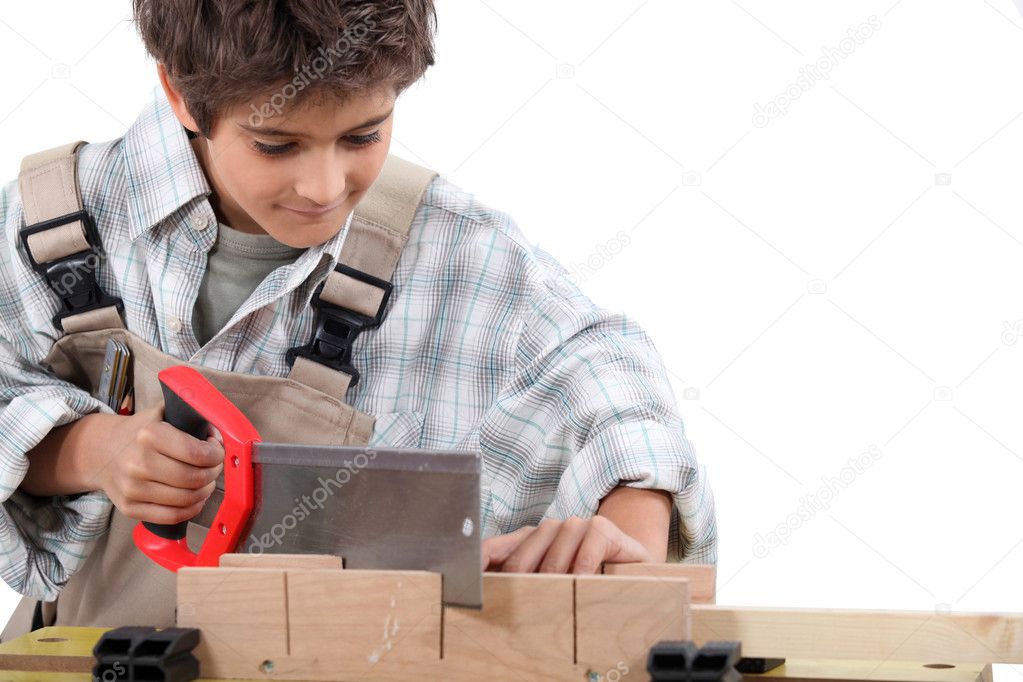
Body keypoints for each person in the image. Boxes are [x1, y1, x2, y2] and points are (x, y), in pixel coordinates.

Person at [0, 0, 716, 635]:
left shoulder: (455, 250)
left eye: (363, 136)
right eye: (277, 144)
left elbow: (607, 373)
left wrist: (629, 536)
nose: (323, 187)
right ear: (180, 94)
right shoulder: (55, 224)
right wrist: (94, 451)